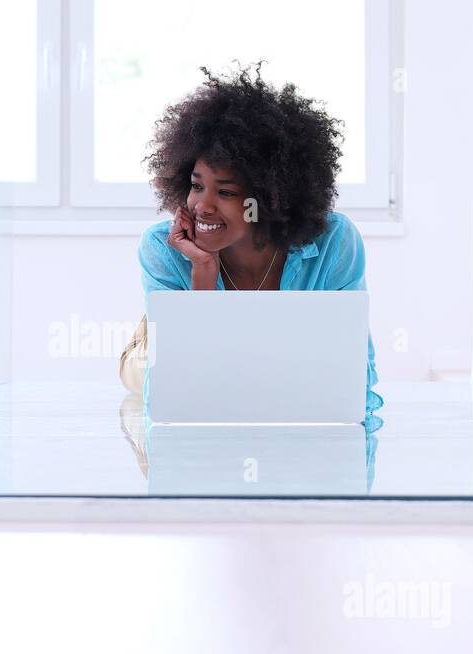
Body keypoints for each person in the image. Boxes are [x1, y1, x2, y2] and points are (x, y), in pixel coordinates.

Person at [117, 63, 384, 431]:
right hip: (153, 341)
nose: (202, 206)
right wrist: (203, 272)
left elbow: (360, 386)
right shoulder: (162, 248)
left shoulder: (334, 242)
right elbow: (171, 395)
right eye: (197, 186)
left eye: (226, 192)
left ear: (271, 200)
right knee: (138, 367)